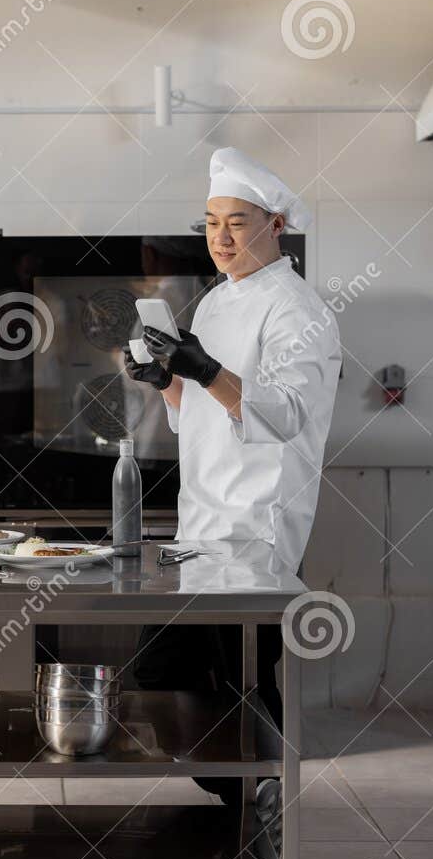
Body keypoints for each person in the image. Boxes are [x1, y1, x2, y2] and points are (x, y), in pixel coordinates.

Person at [123, 147, 341, 808]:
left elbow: (286, 413)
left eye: (237, 222)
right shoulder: (217, 302)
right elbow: (206, 417)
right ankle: (247, 796)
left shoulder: (300, 312)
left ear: (276, 223)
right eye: (211, 221)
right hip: (203, 522)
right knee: (169, 672)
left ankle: (267, 800)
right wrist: (169, 381)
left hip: (256, 525)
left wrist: (205, 368)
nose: (220, 236)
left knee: (242, 677)